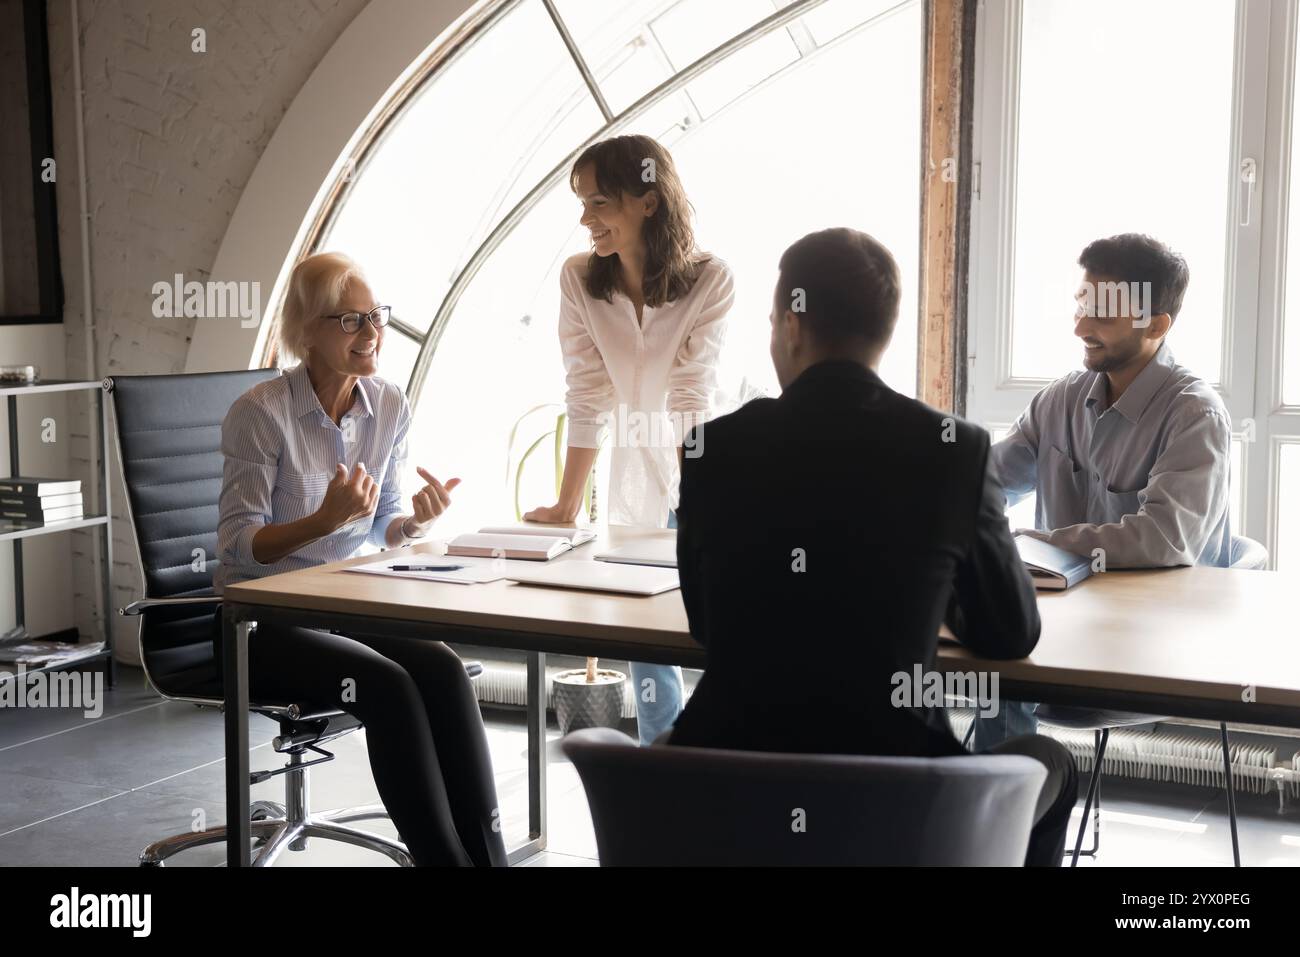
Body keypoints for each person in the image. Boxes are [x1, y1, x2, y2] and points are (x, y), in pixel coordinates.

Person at [668, 228, 1077, 865]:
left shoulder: (711, 447)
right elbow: (1010, 632)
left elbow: (703, 624)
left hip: (721, 793)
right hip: (905, 804)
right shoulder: (954, 448)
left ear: (792, 326)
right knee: (1052, 763)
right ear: (884, 336)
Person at [214, 252, 506, 866]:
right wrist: (323, 520)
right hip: (262, 622)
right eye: (351, 321)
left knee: (444, 670)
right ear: (307, 331)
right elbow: (239, 544)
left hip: (343, 604)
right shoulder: (260, 414)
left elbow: (386, 523)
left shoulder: (389, 405)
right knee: (388, 686)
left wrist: (417, 520)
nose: (373, 333)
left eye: (375, 316)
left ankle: (489, 861)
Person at [973, 233, 1232, 750]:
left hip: (1156, 640)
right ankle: (996, 807)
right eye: (1081, 306)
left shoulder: (1194, 415)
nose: (1080, 327)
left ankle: (1006, 807)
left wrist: (1036, 543)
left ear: (1157, 326)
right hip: (1065, 627)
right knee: (985, 647)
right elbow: (989, 485)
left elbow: (1164, 540)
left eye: (1103, 315)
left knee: (999, 666)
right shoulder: (1060, 399)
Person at [525, 134, 734, 746]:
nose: (585, 220)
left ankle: (725, 759)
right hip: (631, 477)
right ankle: (661, 768)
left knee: (712, 627)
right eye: (583, 205)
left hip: (698, 464)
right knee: (645, 636)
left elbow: (691, 397)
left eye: (598, 204)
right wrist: (567, 503)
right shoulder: (579, 281)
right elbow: (587, 392)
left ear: (647, 201)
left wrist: (697, 500)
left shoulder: (709, 279)